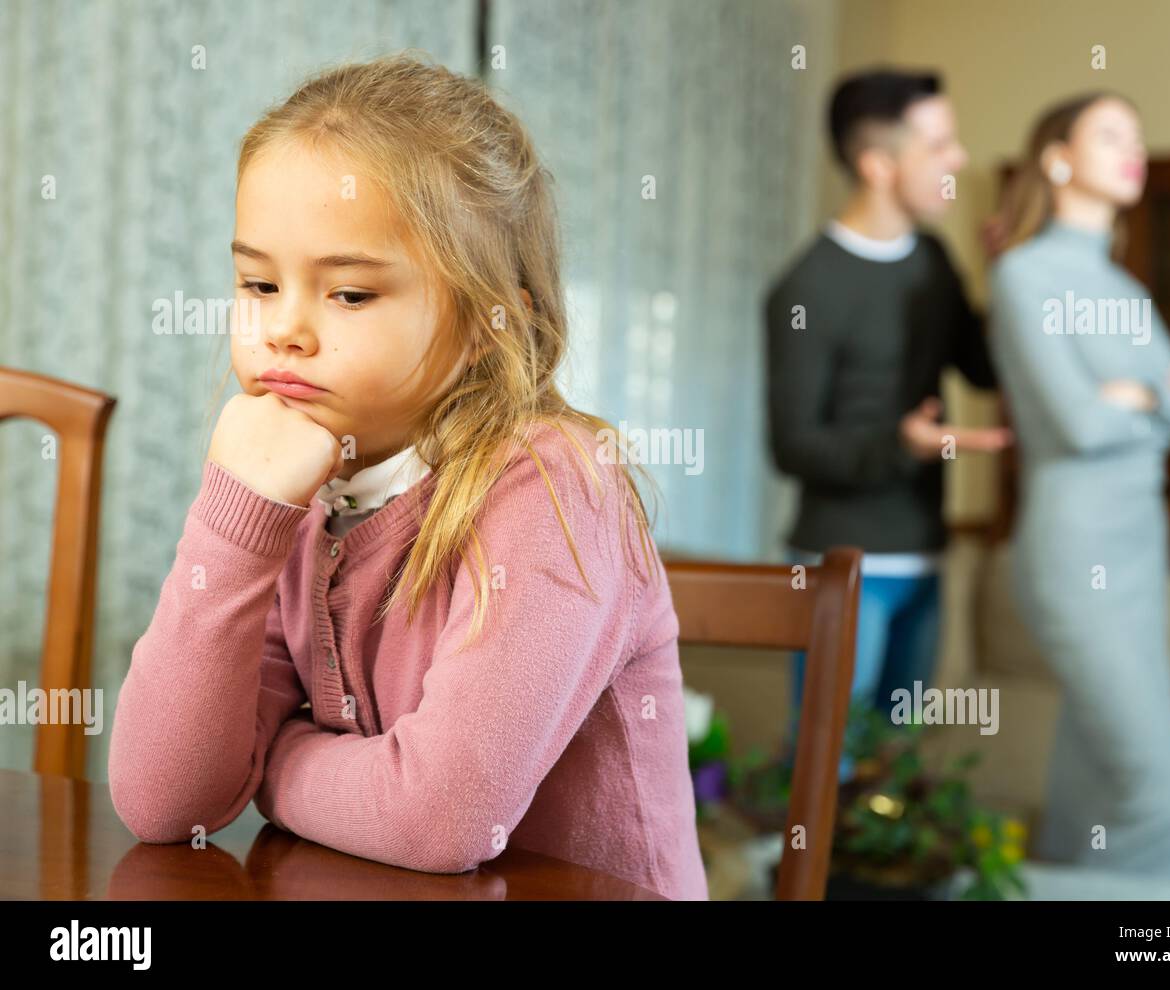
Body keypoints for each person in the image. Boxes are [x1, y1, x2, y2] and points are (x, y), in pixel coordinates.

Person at [107, 53, 708, 901]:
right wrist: (236, 520)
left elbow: (439, 818)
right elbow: (165, 801)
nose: (285, 328)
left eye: (349, 294)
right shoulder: (303, 491)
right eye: (258, 283)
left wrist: (270, 761)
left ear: (491, 324)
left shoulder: (553, 486)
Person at [987, 92, 1170, 878]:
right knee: (1161, 797)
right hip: (1072, 551)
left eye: (1140, 134)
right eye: (1113, 133)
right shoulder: (1024, 275)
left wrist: (1141, 397)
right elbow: (1079, 427)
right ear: (1057, 158)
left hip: (1138, 551)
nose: (1137, 150)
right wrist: (1164, 394)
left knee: (1091, 784)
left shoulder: (1125, 292)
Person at [764, 68, 1010, 780]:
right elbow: (792, 444)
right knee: (824, 768)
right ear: (878, 164)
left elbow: (986, 371)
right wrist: (899, 447)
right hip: (844, 567)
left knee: (893, 769)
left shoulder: (935, 261)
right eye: (939, 145)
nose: (958, 160)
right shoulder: (805, 288)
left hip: (926, 559)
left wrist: (1006, 280)